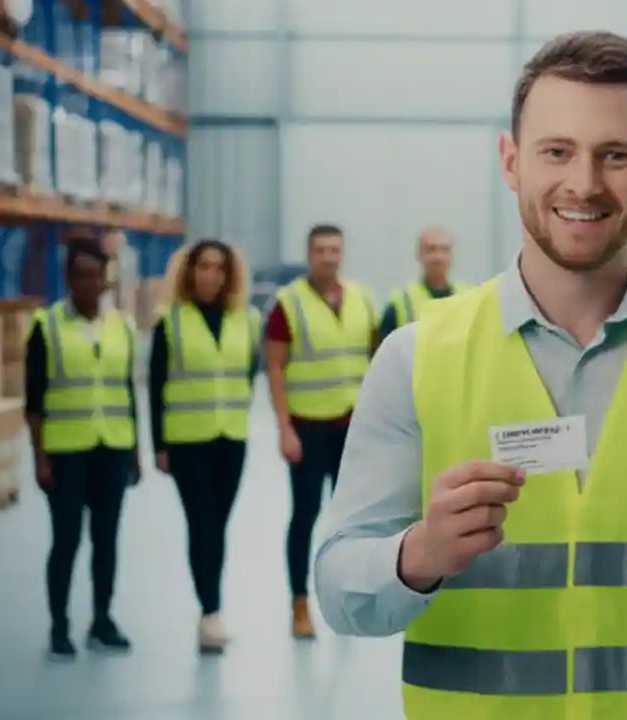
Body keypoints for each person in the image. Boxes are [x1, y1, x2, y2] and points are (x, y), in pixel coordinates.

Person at [314, 30, 627, 719]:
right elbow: (338, 594)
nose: (584, 183)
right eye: (556, 151)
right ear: (510, 161)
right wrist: (418, 552)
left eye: (616, 156)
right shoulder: (416, 359)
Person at [25, 240, 140, 661]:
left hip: (112, 446)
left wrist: (135, 453)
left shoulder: (122, 326)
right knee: (67, 540)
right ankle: (59, 625)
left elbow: (126, 391)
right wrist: (39, 458)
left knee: (107, 540)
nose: (88, 284)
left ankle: (102, 620)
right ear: (69, 279)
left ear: (105, 279)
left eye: (95, 275)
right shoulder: (47, 325)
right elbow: (33, 401)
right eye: (80, 276)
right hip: (66, 452)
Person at [263, 223, 379, 639]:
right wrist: (283, 427)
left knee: (350, 519)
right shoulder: (288, 303)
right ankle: (299, 604)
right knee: (305, 515)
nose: (328, 257)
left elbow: (375, 359)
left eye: (334, 250)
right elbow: (274, 365)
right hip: (308, 427)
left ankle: (346, 596)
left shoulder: (362, 299)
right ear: (309, 254)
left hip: (352, 427)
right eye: (320, 250)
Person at [149, 239, 260, 653]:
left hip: (231, 437)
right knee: (204, 524)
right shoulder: (170, 322)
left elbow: (249, 374)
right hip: (186, 440)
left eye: (219, 268)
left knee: (218, 525)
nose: (210, 275)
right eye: (203, 267)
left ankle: (210, 610)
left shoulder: (246, 320)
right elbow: (156, 386)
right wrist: (158, 444)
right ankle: (211, 612)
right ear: (189, 272)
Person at [378, 226, 465, 342]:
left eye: (444, 250)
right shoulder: (402, 301)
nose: (438, 257)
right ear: (418, 255)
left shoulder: (468, 297)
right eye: (431, 249)